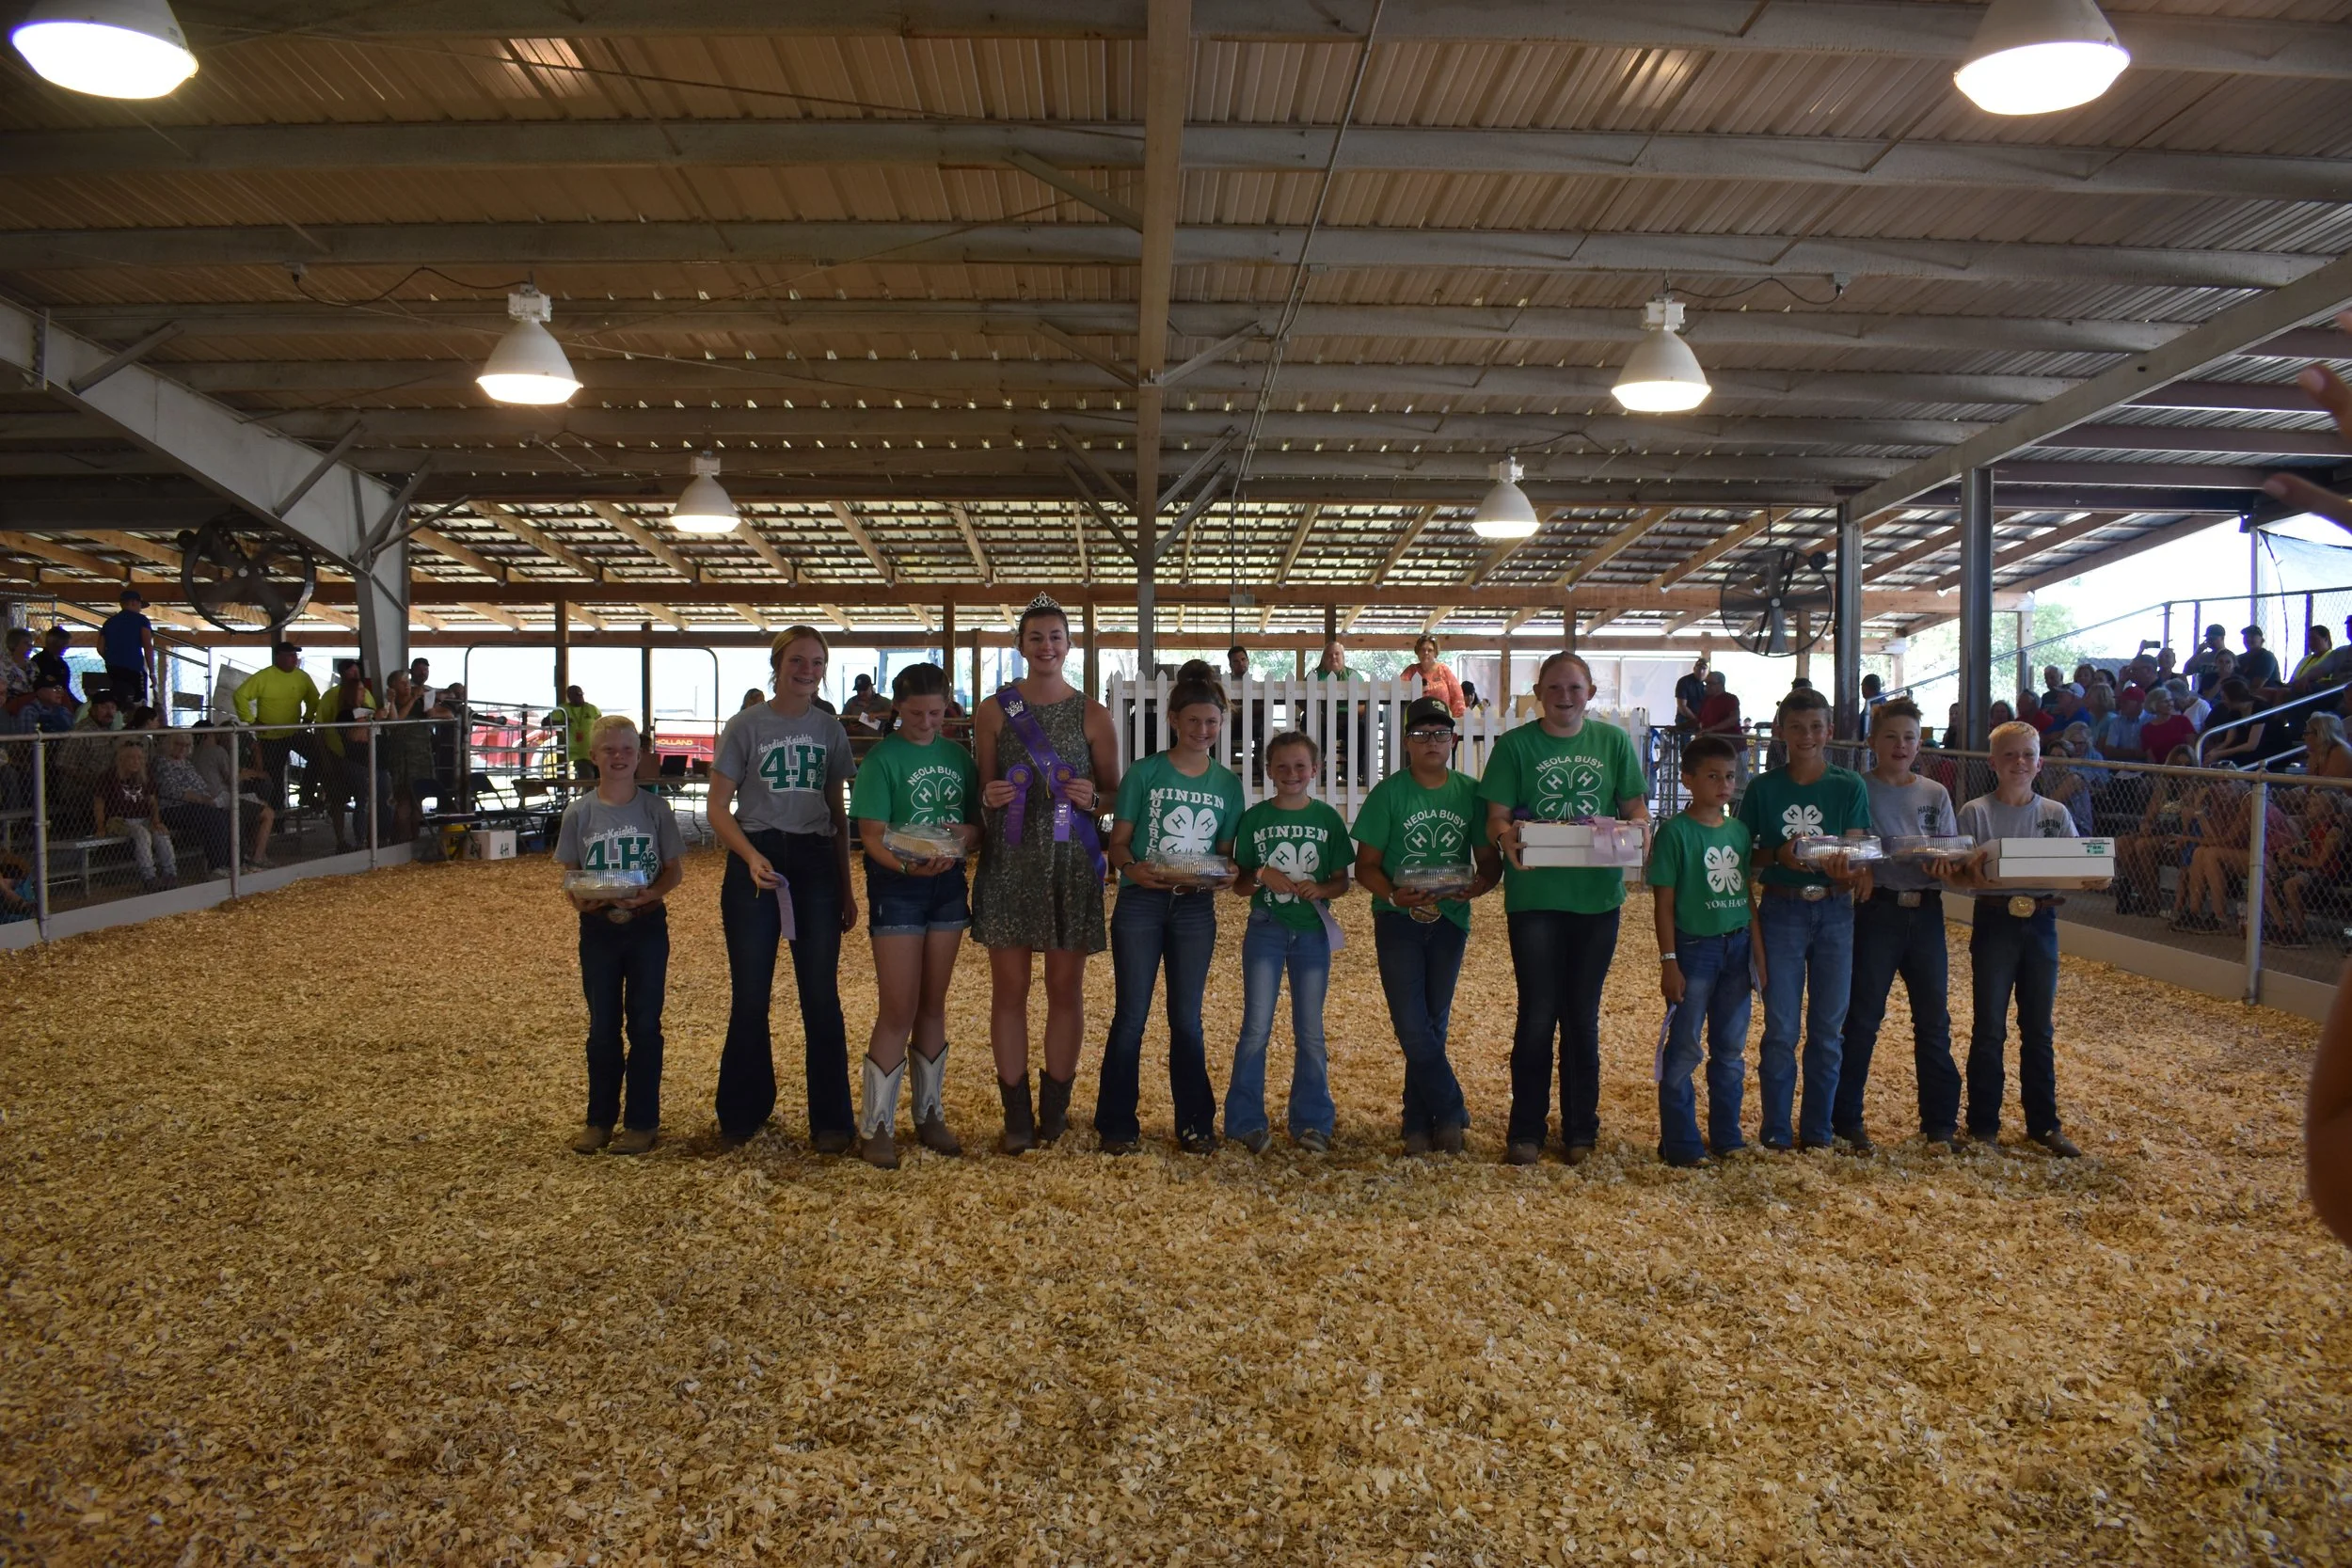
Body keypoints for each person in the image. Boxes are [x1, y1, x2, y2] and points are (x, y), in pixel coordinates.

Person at [1482, 651, 1649, 1165]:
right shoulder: (1514, 746)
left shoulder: (1613, 742)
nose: (1564, 697)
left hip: (1597, 897)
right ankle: (1526, 1130)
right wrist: (1506, 838)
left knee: (1581, 1013)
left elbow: (1633, 805)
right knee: (1537, 1012)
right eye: (1553, 687)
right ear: (1538, 693)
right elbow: (1496, 816)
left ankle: (1581, 1129)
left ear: (1591, 693)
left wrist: (1641, 827)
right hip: (1535, 896)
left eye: (1574, 688)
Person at [972, 594, 1120, 1152]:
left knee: (1064, 989)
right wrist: (990, 796)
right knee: (1009, 991)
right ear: (1021, 646)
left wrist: (1092, 799)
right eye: (1035, 637)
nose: (1046, 646)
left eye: (1055, 636)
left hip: (1070, 866)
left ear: (1069, 645)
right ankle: (1016, 1114)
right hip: (1010, 863)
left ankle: (1054, 1110)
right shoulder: (994, 711)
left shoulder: (1093, 714)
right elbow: (983, 792)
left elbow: (1114, 794)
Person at [708, 626, 859, 1151]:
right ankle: (741, 1114)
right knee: (750, 994)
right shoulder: (745, 725)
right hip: (756, 854)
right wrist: (750, 856)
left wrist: (846, 887)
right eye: (797, 660)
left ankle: (832, 1121)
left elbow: (837, 812)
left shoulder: (829, 729)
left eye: (816, 663)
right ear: (777, 665)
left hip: (815, 860)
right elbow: (717, 808)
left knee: (820, 994)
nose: (807, 670)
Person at [1098, 675, 1245, 1155]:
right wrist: (1131, 870)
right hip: (1141, 901)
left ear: (1222, 724)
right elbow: (1119, 844)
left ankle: (1196, 1123)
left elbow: (1224, 854)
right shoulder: (1144, 773)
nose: (1202, 730)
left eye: (1212, 722)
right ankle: (1117, 1124)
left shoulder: (1227, 784)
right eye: (1193, 720)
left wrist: (1227, 874)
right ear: (1173, 720)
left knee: (1187, 1018)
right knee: (1131, 1015)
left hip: (1195, 906)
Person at [1352, 695, 1502, 1155]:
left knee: (1434, 1022)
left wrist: (1477, 887)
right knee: (1411, 1024)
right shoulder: (1389, 794)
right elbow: (1366, 866)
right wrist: (1392, 895)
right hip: (1397, 918)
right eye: (1420, 734)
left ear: (1453, 741)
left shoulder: (1471, 793)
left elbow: (1489, 862)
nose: (1431, 741)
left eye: (1440, 733)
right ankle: (1451, 1108)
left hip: (1451, 917)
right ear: (1406, 743)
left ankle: (1417, 1121)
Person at [847, 662, 979, 1168]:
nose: (927, 722)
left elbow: (976, 827)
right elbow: (871, 836)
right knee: (897, 1007)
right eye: (917, 713)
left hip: (947, 884)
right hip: (899, 886)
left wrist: (964, 836)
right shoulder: (882, 760)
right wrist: (907, 865)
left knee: (933, 1003)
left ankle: (928, 1112)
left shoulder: (958, 757)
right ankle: (876, 1122)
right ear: (897, 708)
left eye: (936, 713)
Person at [1738, 686, 1873, 1153]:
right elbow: (1744, 853)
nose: (1806, 736)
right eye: (1796, 727)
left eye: (1815, 727)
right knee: (1781, 1029)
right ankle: (1776, 1129)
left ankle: (1817, 1129)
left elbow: (1856, 847)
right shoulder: (1763, 788)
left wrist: (1849, 868)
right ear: (1781, 732)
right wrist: (1778, 854)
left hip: (1835, 910)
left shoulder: (1849, 786)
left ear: (1829, 731)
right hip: (1782, 909)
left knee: (1828, 1030)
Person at [1950, 721, 2088, 1157]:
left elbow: (2075, 868)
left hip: (2042, 922)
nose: (2019, 762)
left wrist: (2091, 877)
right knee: (1990, 1027)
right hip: (1995, 921)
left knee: (2039, 1028)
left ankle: (2044, 1125)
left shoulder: (2055, 814)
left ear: (2040, 763)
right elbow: (1959, 874)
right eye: (2009, 755)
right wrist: (1969, 872)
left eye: (2028, 754)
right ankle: (1983, 1126)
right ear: (1993, 763)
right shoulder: (1975, 812)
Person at [1834, 699, 1964, 1152]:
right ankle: (1846, 1119)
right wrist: (1864, 866)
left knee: (1934, 1021)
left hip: (1926, 910)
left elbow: (1949, 849)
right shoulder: (1858, 789)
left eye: (1909, 737)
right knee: (1863, 1018)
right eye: (1890, 736)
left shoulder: (1935, 793)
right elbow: (1850, 844)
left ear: (1919, 744)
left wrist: (1945, 864)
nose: (1900, 745)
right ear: (1872, 741)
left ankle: (1940, 1124)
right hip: (1877, 910)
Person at [556, 715, 687, 1157]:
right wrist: (579, 901)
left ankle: (642, 1122)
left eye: (627, 749)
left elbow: (673, 870)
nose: (618, 757)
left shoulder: (656, 810)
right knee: (602, 1026)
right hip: (598, 928)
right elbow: (571, 874)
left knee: (646, 1025)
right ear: (593, 756)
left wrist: (652, 893)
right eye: (609, 750)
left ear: (639, 755)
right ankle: (599, 1120)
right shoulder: (579, 812)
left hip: (646, 924)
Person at [1224, 730, 1351, 1154]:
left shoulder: (1328, 819)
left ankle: (1312, 1120)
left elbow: (1342, 881)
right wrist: (1262, 874)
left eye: (1300, 766)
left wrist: (1323, 889)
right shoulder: (1255, 819)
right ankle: (1245, 1121)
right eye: (1282, 766)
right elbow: (1240, 884)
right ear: (1268, 771)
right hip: (1266, 927)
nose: (1291, 773)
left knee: (1310, 1030)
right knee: (1256, 1027)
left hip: (1312, 931)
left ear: (1315, 770)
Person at [1648, 733, 1756, 1166]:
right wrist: (1669, 961)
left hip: (1737, 946)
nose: (1724, 784)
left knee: (1730, 1048)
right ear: (1688, 779)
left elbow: (1746, 894)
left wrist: (1758, 953)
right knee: (1685, 1047)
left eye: (1729, 776)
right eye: (1712, 776)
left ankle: (1728, 1136)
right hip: (1694, 949)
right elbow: (1664, 903)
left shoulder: (1739, 831)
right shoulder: (1675, 833)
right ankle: (1681, 1143)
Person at [2115, 743, 2203, 916]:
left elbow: (2186, 824)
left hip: (2178, 836)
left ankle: (2153, 902)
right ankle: (2145, 894)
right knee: (2122, 843)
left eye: (2187, 765)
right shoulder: (2163, 787)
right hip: (2158, 832)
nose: (2183, 769)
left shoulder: (2196, 788)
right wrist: (2146, 826)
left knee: (2143, 846)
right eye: (2178, 764)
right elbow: (2149, 817)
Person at [233, 641, 319, 816]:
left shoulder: (302, 676)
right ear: (278, 657)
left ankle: (307, 794)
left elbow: (313, 698)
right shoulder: (264, 676)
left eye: (295, 655)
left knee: (319, 755)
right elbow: (240, 695)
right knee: (275, 778)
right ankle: (276, 818)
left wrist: (308, 718)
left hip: (294, 732)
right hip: (270, 737)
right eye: (290, 655)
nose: (294, 659)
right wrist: (251, 721)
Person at [93, 739, 175, 892]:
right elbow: (99, 803)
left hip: (144, 819)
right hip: (119, 820)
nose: (136, 761)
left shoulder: (145, 775)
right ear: (121, 759)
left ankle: (170, 873)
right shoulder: (108, 776)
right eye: (131, 757)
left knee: (161, 834)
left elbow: (153, 801)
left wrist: (156, 821)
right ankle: (149, 877)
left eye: (140, 758)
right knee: (141, 834)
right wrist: (101, 826)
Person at [313, 660, 377, 854]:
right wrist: (324, 756)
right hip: (336, 753)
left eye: (357, 672)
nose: (355, 676)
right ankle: (341, 840)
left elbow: (374, 719)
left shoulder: (367, 696)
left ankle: (367, 839)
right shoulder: (330, 696)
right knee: (338, 799)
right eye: (351, 673)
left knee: (364, 799)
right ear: (342, 675)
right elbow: (319, 726)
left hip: (362, 755)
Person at [152, 730, 233, 878]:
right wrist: (200, 798)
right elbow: (170, 790)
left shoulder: (187, 764)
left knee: (226, 815)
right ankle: (217, 866)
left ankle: (233, 862)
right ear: (170, 744)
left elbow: (201, 786)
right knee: (212, 816)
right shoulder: (162, 763)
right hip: (172, 808)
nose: (182, 748)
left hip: (196, 806)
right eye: (178, 744)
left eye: (186, 745)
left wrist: (208, 799)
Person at [377, 669, 434, 841]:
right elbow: (396, 722)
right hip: (401, 760)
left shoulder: (420, 702)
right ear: (393, 686)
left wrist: (428, 700)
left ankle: (415, 839)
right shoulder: (391, 704)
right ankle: (399, 841)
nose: (407, 685)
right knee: (403, 803)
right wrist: (412, 699)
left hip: (420, 758)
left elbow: (439, 713)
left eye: (408, 682)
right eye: (402, 683)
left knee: (417, 803)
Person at [1402, 634, 1467, 719]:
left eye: (1430, 650)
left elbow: (1457, 698)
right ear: (1417, 652)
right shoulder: (1411, 670)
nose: (1426, 653)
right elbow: (1398, 692)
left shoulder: (1443, 670)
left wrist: (1459, 719)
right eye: (1422, 649)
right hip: (1417, 720)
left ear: (1435, 653)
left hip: (1442, 720)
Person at [841, 673, 893, 762]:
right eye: (858, 690)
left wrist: (878, 715)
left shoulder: (883, 702)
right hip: (854, 752)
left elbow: (899, 713)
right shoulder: (851, 703)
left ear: (871, 687)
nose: (861, 693)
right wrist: (850, 729)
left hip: (877, 751)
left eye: (864, 690)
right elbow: (841, 725)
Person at [559, 685, 601, 780]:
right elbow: (545, 722)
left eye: (581, 694)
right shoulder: (563, 709)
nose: (580, 697)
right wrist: (563, 722)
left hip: (596, 751)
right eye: (577, 694)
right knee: (587, 779)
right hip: (579, 754)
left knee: (601, 779)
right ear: (569, 696)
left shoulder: (592, 708)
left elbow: (602, 724)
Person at [30, 626, 75, 704]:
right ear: (54, 643)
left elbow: (65, 689)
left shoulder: (62, 664)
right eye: (64, 644)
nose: (67, 647)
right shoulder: (38, 661)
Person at [2186, 625, 2231, 695]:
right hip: (2202, 694)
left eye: (2213, 639)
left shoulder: (2230, 657)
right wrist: (2198, 652)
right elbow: (2187, 671)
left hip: (2223, 695)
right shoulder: (2203, 657)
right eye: (2208, 639)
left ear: (2222, 638)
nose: (2210, 642)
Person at [2307, 712, 2352, 779]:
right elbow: (2310, 784)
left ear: (2320, 734)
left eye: (2307, 733)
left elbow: (2334, 784)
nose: (2303, 737)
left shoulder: (2340, 753)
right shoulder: (2315, 754)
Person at [2237, 626, 2282, 693]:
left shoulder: (2267, 657)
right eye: (2246, 636)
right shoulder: (2241, 658)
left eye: (2252, 636)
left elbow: (2256, 687)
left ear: (2262, 640)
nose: (2248, 639)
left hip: (2267, 697)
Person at [1696, 671, 1741, 736]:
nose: (1707, 686)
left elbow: (1733, 719)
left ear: (1721, 684)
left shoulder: (1731, 699)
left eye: (1710, 683)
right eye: (1706, 683)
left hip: (1728, 740)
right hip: (1709, 738)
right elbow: (1699, 719)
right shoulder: (1706, 699)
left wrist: (1711, 729)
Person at [3, 627, 35, 713]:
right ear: (14, 644)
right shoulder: (3, 665)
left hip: (30, 703)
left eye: (31, 643)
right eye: (26, 643)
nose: (30, 646)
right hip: (9, 704)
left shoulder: (33, 666)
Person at [1673, 657, 1708, 732]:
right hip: (1685, 720)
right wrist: (1696, 720)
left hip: (1704, 720)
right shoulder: (1684, 681)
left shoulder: (1711, 683)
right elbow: (1682, 706)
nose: (1701, 671)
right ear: (1694, 669)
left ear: (1708, 670)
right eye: (1699, 668)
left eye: (1704, 669)